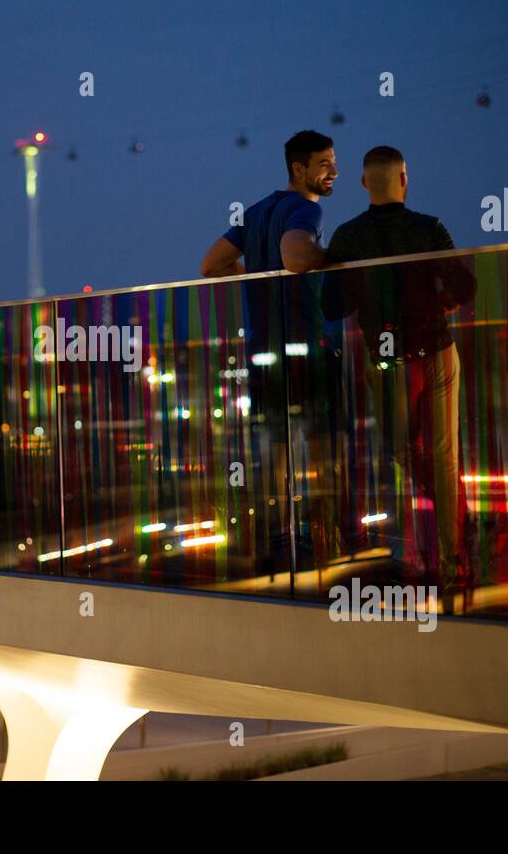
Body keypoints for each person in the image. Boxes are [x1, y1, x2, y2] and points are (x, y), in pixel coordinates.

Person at [321, 146, 476, 599]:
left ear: (364, 183)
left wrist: (359, 285)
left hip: (391, 362)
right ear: (404, 179)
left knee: (404, 452)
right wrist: (439, 301)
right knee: (445, 457)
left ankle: (450, 534)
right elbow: (465, 285)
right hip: (440, 350)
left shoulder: (348, 237)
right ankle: (454, 560)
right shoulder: (429, 227)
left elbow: (334, 305)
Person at [200, 129, 336, 277]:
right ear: (298, 169)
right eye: (324, 165)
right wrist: (339, 254)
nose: (334, 172)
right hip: (297, 300)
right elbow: (296, 257)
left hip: (260, 300)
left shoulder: (253, 213)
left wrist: (257, 283)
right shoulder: (307, 209)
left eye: (333, 163)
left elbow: (211, 266)